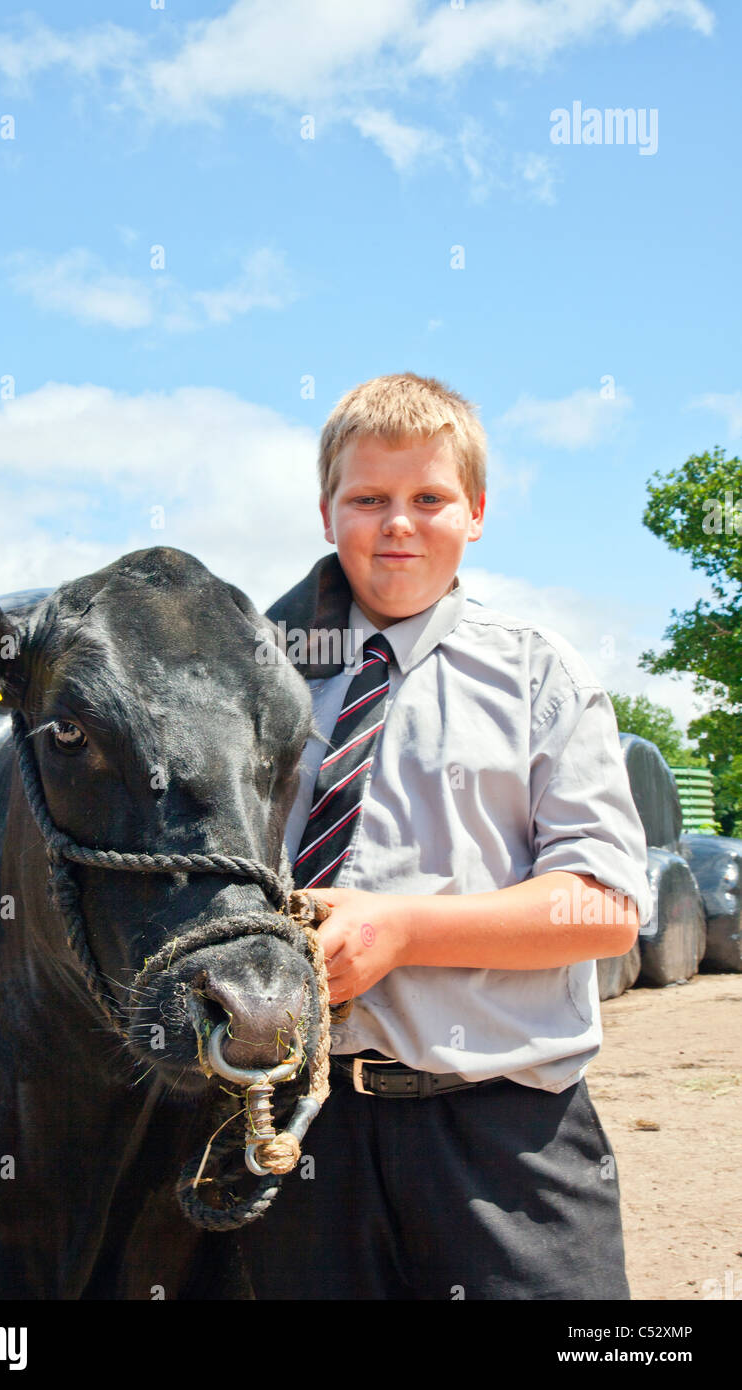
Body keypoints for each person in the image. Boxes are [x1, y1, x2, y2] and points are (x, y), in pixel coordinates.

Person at [239, 371, 652, 1300]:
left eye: (429, 499)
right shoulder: (255, 681)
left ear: (474, 513)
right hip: (300, 1135)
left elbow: (608, 910)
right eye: (368, 500)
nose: (398, 525)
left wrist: (404, 930)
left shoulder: (539, 675)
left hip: (507, 1138)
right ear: (325, 511)